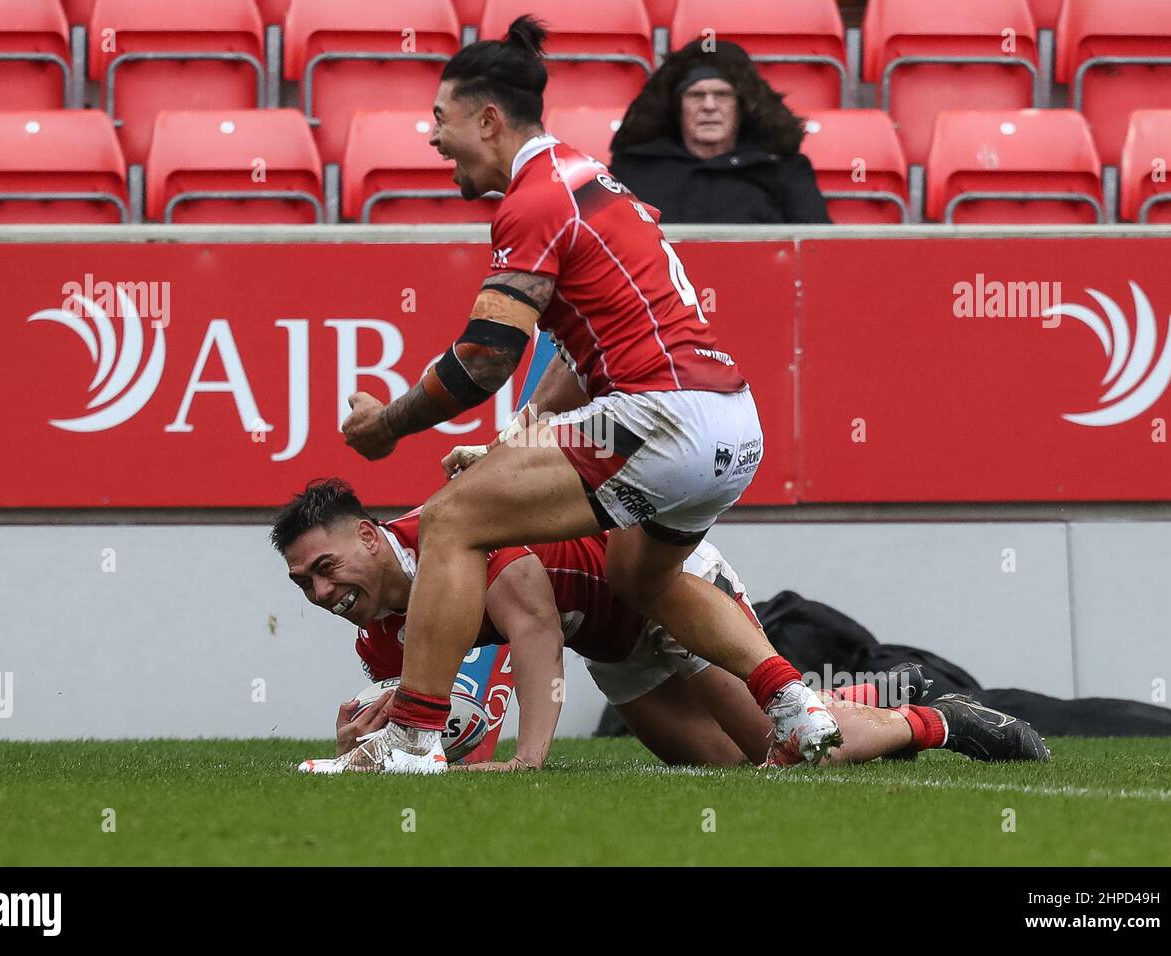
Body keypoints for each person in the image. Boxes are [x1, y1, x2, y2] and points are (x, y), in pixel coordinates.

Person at [337, 16, 842, 774]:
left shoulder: (532, 202)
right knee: (640, 579)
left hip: (660, 418)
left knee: (448, 521)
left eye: (439, 121)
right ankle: (793, 705)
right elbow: (583, 355)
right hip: (730, 423)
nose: (432, 139)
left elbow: (483, 357)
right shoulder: (585, 177)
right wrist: (520, 442)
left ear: (488, 118)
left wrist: (389, 425)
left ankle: (411, 740)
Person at [273, 479, 1050, 772]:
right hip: (616, 648)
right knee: (738, 772)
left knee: (785, 755)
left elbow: (536, 627)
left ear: (372, 536)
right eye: (303, 581)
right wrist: (366, 746)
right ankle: (870, 715)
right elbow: (444, 734)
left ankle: (934, 721)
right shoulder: (377, 635)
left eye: (325, 565)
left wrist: (531, 759)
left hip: (663, 593)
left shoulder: (451, 532)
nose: (319, 589)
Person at [609, 39, 831, 225]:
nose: (709, 106)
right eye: (696, 95)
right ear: (677, 107)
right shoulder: (633, 171)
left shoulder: (783, 170)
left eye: (722, 95)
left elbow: (819, 247)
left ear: (742, 106)